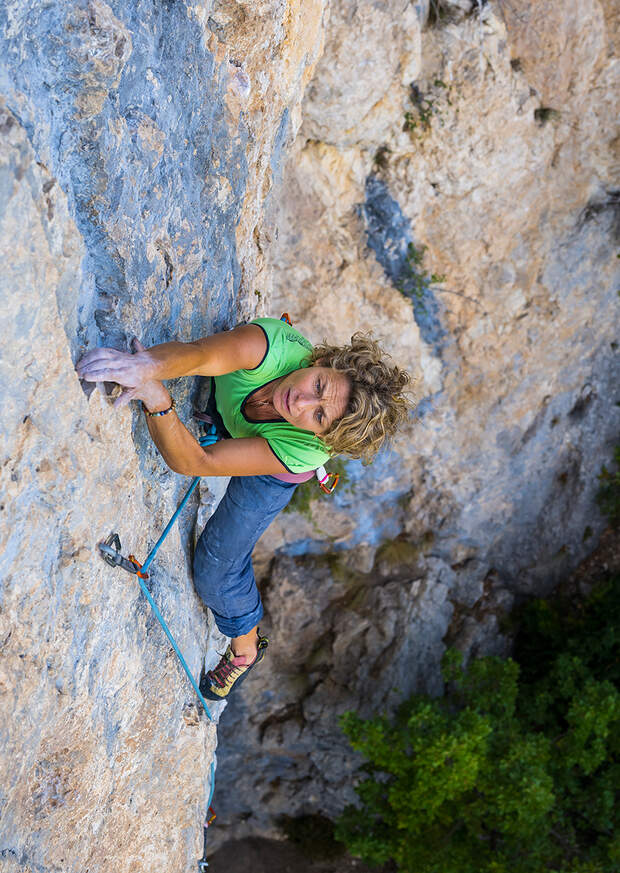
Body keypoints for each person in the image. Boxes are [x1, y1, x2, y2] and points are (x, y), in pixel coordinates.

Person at [76, 317, 411, 699]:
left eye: (318, 415)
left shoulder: (303, 450)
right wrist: (146, 367)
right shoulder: (272, 347)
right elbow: (199, 354)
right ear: (326, 362)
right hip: (246, 420)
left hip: (275, 470)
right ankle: (229, 419)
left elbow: (198, 463)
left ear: (323, 437)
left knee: (215, 570)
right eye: (318, 385)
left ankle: (245, 649)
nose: (301, 401)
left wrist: (157, 397)